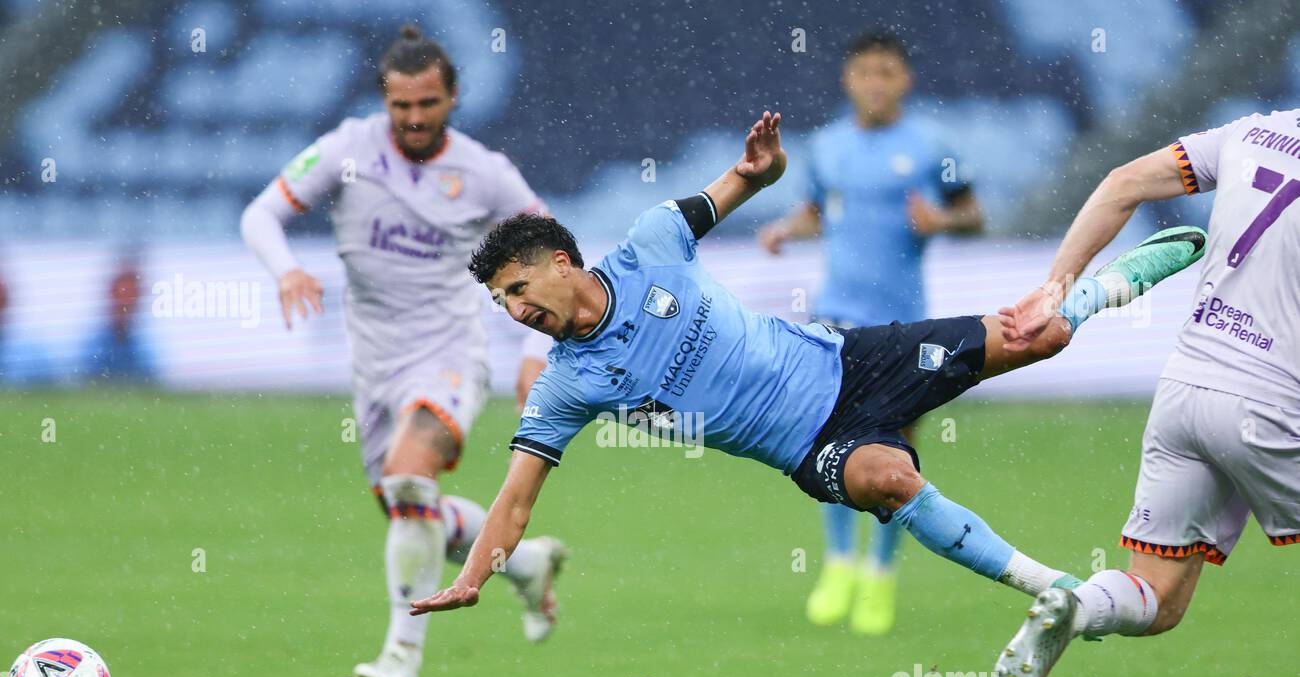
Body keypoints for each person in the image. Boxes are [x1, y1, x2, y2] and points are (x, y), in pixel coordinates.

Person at [406, 112, 1201, 640]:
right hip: (808, 446)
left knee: (1041, 334)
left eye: (516, 288)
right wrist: (474, 576)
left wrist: (762, 169)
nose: (513, 309)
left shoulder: (652, 243)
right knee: (886, 478)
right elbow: (514, 498)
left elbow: (738, 183)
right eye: (500, 302)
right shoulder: (566, 384)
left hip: (852, 358)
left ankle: (1105, 287)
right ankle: (1059, 591)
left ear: (559, 262)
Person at [240, 24, 566, 677]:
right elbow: (261, 215)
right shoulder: (347, 149)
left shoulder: (485, 171)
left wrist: (537, 351)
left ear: (452, 100)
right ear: (384, 102)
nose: (414, 119)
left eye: (427, 105)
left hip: (450, 350)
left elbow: (556, 251)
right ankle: (529, 565)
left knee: (408, 480)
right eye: (401, 107)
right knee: (411, 508)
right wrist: (287, 268)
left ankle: (400, 658)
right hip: (374, 366)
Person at [990, 110, 1300, 677]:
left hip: (1185, 389)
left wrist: (1055, 292)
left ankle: (1079, 607)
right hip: (1273, 403)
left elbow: (1124, 182)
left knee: (1157, 598)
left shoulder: (1257, 131)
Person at [759, 31, 983, 635]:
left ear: (904, 80)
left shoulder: (934, 146)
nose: (876, 83)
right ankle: (839, 564)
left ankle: (881, 573)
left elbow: (974, 213)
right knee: (824, 433)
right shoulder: (828, 147)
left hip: (904, 321)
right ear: (848, 80)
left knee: (897, 447)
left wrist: (942, 220)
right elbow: (815, 212)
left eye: (887, 72)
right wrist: (784, 229)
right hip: (837, 315)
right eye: (865, 73)